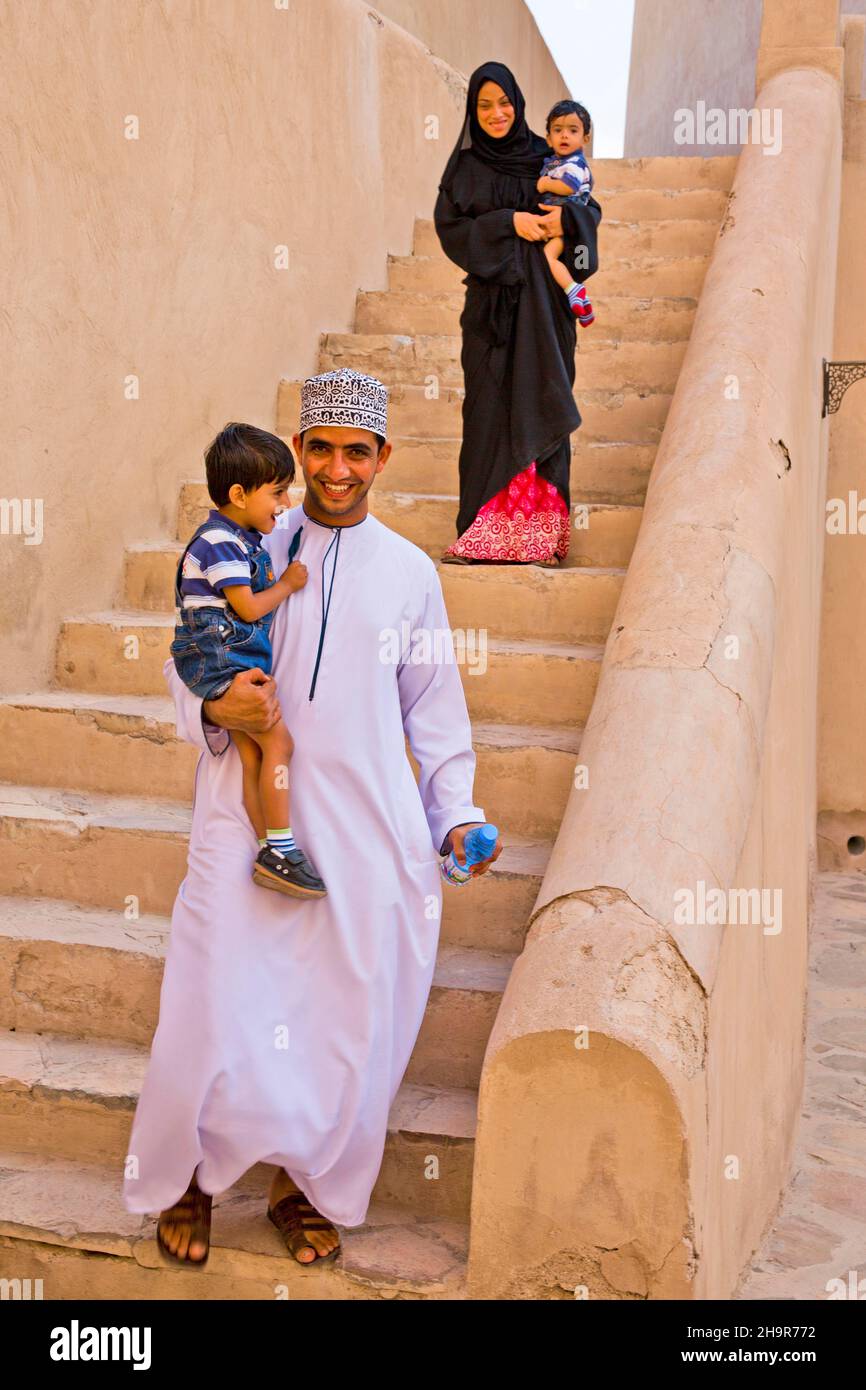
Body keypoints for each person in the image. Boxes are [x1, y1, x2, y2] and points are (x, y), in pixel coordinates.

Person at [121, 368, 503, 1268]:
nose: (337, 469)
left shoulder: (410, 574)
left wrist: (455, 814)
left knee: (343, 1010)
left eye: (355, 453)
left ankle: (302, 1186)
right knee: (210, 999)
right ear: (297, 450)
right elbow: (190, 655)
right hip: (247, 814)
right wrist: (214, 711)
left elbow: (434, 708)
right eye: (320, 450)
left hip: (367, 821)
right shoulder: (249, 540)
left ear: (383, 458)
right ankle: (188, 1179)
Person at [434, 61, 602, 567]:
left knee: (541, 399)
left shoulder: (542, 155)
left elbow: (587, 212)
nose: (496, 113)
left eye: (504, 103)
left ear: (518, 104)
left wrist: (560, 219)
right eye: (484, 105)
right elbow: (451, 230)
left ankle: (542, 542)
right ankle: (479, 537)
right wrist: (510, 221)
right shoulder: (464, 169)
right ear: (472, 110)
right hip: (490, 310)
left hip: (544, 310)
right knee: (485, 412)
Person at [170, 422, 327, 899]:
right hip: (221, 660)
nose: (283, 505)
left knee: (254, 753)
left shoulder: (235, 539)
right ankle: (281, 845)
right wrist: (288, 583)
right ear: (239, 494)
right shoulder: (220, 543)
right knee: (280, 746)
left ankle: (268, 850)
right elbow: (248, 607)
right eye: (276, 493)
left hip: (226, 658)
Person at [537, 100, 596, 324]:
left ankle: (573, 289)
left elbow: (568, 186)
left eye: (573, 130)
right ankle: (584, 308)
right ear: (548, 138)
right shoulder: (557, 161)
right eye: (558, 130)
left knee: (547, 256)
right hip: (558, 221)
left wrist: (544, 184)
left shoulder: (574, 164)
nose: (564, 136)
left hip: (566, 226)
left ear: (585, 139)